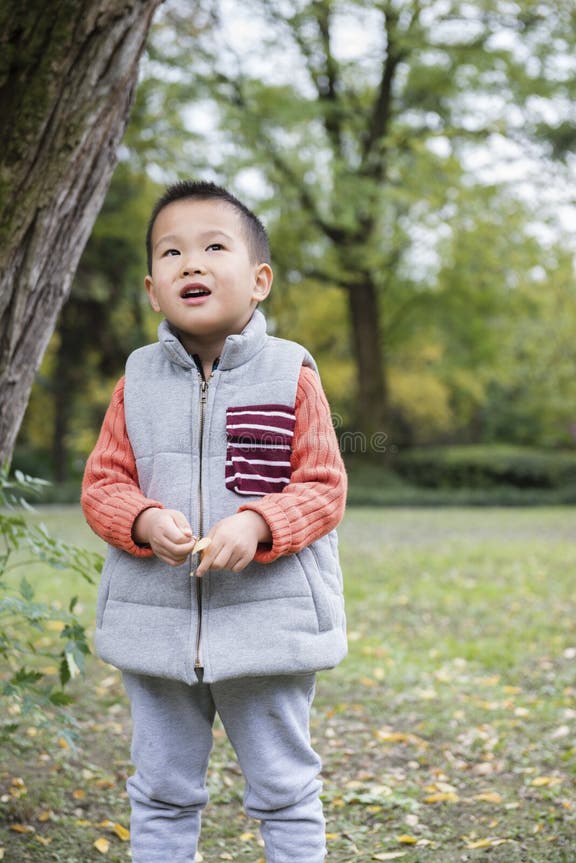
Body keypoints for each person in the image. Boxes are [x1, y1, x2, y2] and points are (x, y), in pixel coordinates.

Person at [81, 179, 348, 863]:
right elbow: (103, 484)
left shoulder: (291, 373)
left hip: (268, 623)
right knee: (162, 789)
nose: (190, 264)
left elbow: (322, 487)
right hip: (159, 625)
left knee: (285, 788)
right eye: (171, 252)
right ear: (151, 287)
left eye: (213, 247)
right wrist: (141, 520)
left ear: (259, 279)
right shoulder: (135, 380)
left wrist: (259, 523)